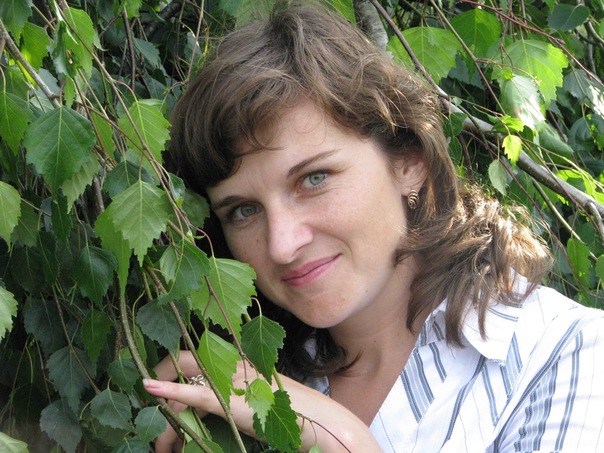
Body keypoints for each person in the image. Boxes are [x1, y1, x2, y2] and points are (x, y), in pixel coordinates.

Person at [142, 1, 604, 451]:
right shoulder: (238, 386)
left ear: (409, 163)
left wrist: (344, 441)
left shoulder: (567, 355)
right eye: (243, 211)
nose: (281, 245)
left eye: (314, 179)